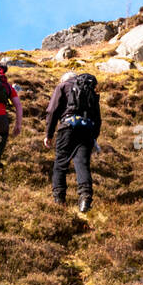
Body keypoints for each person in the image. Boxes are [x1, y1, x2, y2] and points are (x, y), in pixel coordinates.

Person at [44, 71, 101, 211]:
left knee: (60, 164)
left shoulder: (63, 86)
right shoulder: (90, 89)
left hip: (67, 128)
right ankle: (85, 198)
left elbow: (52, 111)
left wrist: (48, 134)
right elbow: (98, 118)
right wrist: (94, 137)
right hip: (87, 130)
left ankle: (59, 200)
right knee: (82, 164)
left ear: (65, 79)